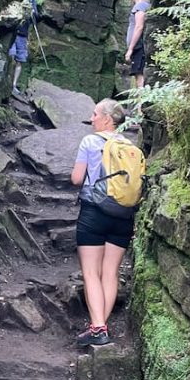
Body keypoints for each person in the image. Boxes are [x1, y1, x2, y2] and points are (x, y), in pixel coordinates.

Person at [70, 99, 134, 346]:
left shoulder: (89, 141)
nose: (92, 118)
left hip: (94, 213)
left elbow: (77, 178)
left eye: (95, 114)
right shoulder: (129, 145)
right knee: (110, 272)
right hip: (123, 215)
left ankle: (98, 328)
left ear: (107, 119)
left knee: (91, 272)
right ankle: (100, 327)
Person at [8, 0, 40, 96]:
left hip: (23, 34)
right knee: (10, 57)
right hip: (11, 31)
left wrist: (32, 12)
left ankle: (13, 85)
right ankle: (7, 83)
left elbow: (36, 17)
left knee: (20, 60)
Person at [124, 0, 150, 90]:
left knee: (139, 75)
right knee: (138, 74)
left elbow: (139, 26)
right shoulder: (147, 5)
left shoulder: (140, 6)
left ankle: (141, 100)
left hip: (139, 47)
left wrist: (130, 49)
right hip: (140, 46)